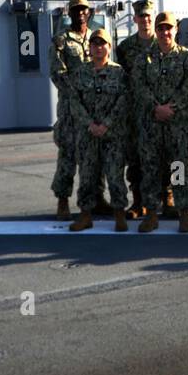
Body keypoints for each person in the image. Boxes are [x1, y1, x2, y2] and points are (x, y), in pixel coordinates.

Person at [134, 12, 188, 233]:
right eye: (160, 28)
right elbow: (139, 87)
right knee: (150, 170)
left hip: (178, 125)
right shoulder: (144, 58)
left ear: (176, 29)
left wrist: (170, 109)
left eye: (168, 28)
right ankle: (151, 214)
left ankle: (184, 212)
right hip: (151, 124)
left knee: (178, 168)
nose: (164, 33)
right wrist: (156, 107)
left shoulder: (187, 58)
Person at [67, 28, 130, 232]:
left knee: (115, 175)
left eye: (102, 44)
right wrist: (90, 124)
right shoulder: (80, 72)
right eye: (94, 44)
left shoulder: (118, 72)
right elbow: (74, 102)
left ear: (109, 47)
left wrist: (106, 124)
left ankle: (119, 214)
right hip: (88, 134)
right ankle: (85, 215)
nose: (98, 47)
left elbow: (123, 101)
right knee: (87, 176)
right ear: (89, 48)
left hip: (112, 134)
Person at [50, 0, 93, 220]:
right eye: (76, 10)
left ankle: (95, 198)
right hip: (69, 109)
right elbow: (57, 74)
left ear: (90, 13)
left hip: (93, 108)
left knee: (91, 157)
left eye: (84, 10)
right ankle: (63, 200)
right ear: (70, 13)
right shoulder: (61, 40)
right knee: (67, 155)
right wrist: (79, 91)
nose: (80, 14)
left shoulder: (97, 39)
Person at [116, 0, 156, 218]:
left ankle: (168, 196)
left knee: (165, 156)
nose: (145, 20)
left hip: (158, 111)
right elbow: (121, 80)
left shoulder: (163, 42)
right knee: (135, 158)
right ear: (135, 19)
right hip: (134, 112)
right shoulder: (125, 48)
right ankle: (138, 200)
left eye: (149, 15)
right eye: (141, 16)